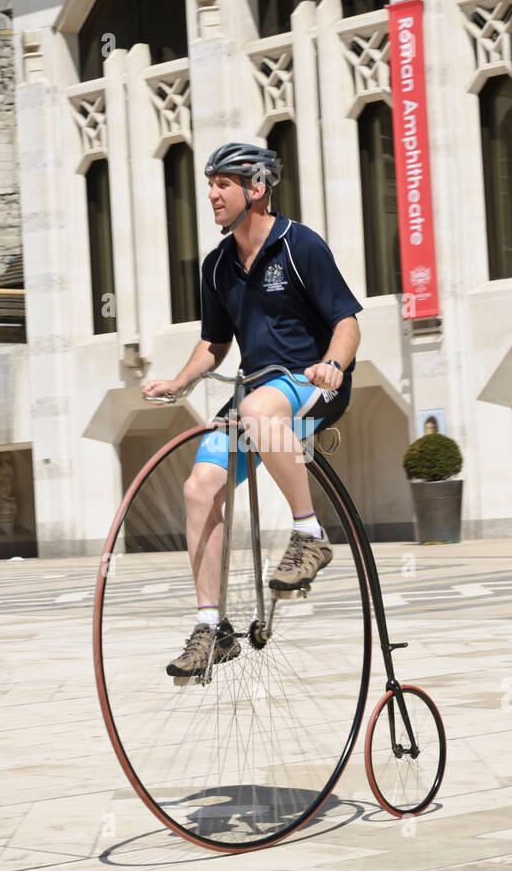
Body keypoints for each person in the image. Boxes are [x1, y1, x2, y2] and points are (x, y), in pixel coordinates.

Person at [142, 141, 362, 678]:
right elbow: (214, 345)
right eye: (209, 183)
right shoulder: (216, 266)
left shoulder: (299, 246)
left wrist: (333, 363)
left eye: (223, 183)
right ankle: (210, 627)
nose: (212, 194)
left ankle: (310, 535)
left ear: (257, 189)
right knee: (199, 485)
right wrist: (180, 381)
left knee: (262, 411)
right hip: (255, 393)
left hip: (309, 383)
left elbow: (347, 321)